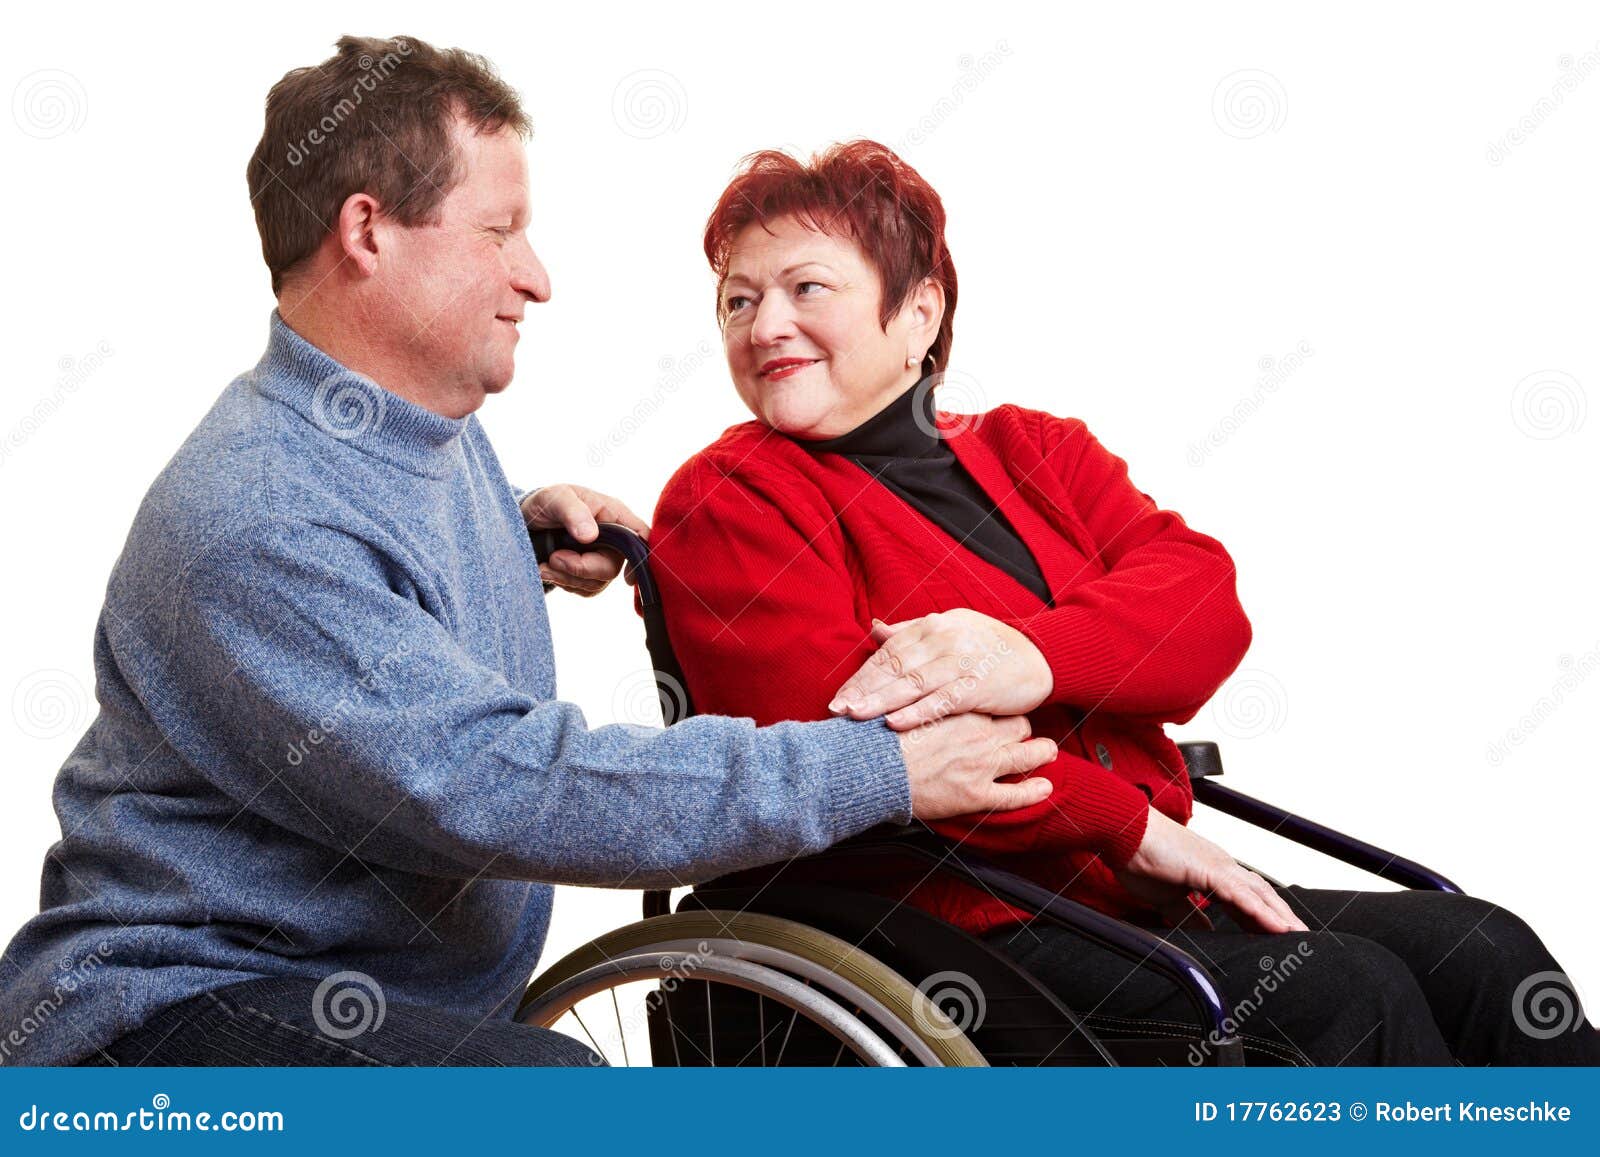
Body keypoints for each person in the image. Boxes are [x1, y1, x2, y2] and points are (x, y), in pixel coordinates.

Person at [0, 40, 1059, 1069]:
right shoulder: (258, 518)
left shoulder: (398, 423)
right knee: (557, 1104)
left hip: (400, 993)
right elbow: (512, 786)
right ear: (368, 231)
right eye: (500, 230)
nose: (537, 276)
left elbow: (362, 557)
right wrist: (873, 769)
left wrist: (516, 529)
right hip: (182, 1007)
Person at [649, 139, 1600, 1065]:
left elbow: (1204, 607)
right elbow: (863, 757)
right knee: (1348, 994)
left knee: (1485, 952)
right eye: (739, 299)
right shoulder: (731, 499)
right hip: (946, 924)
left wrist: (1031, 658)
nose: (764, 323)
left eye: (805, 287)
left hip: (1131, 895)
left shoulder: (1037, 450)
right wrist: (1126, 822)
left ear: (921, 312)